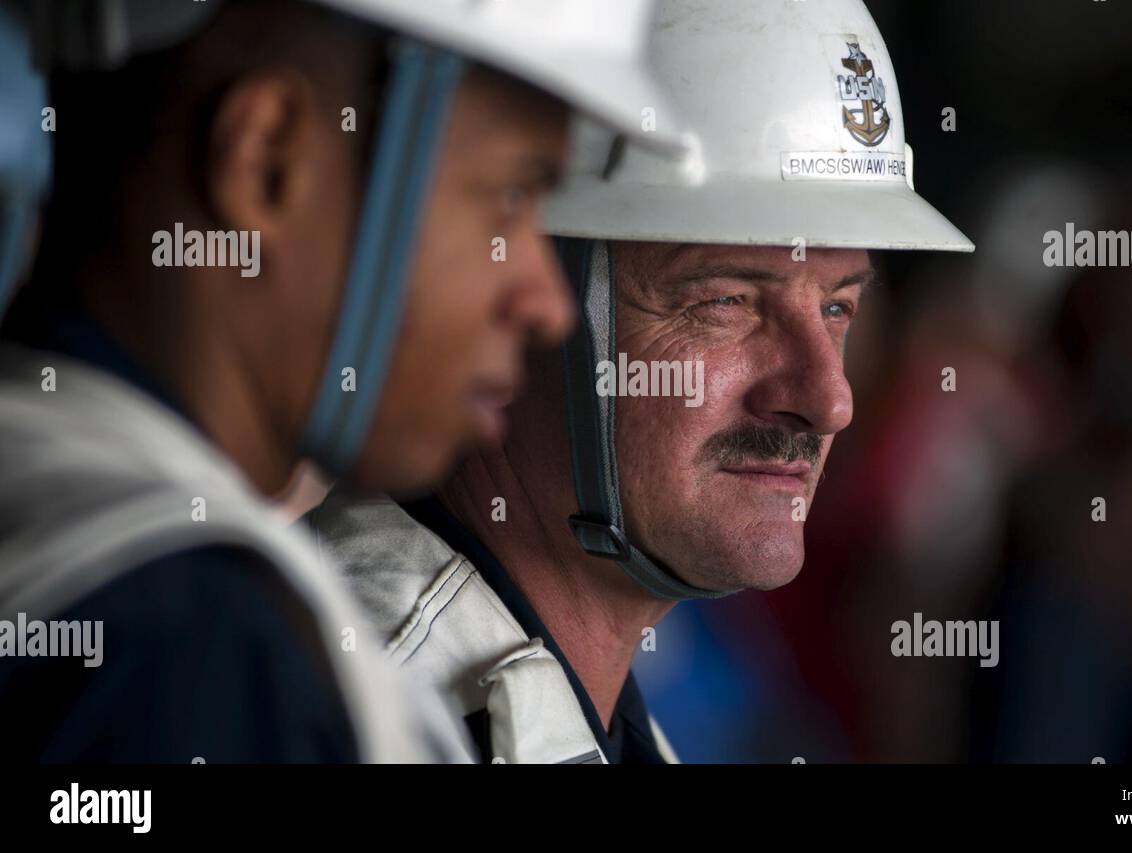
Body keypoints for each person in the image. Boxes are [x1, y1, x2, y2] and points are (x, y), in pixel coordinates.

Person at [0, 0, 683, 762]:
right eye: (511, 196)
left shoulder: (69, 543)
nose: (547, 302)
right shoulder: (194, 656)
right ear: (267, 163)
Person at [313, 0, 973, 763]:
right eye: (726, 300)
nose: (828, 399)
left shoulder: (585, 718)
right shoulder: (342, 715)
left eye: (835, 308)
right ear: (519, 294)